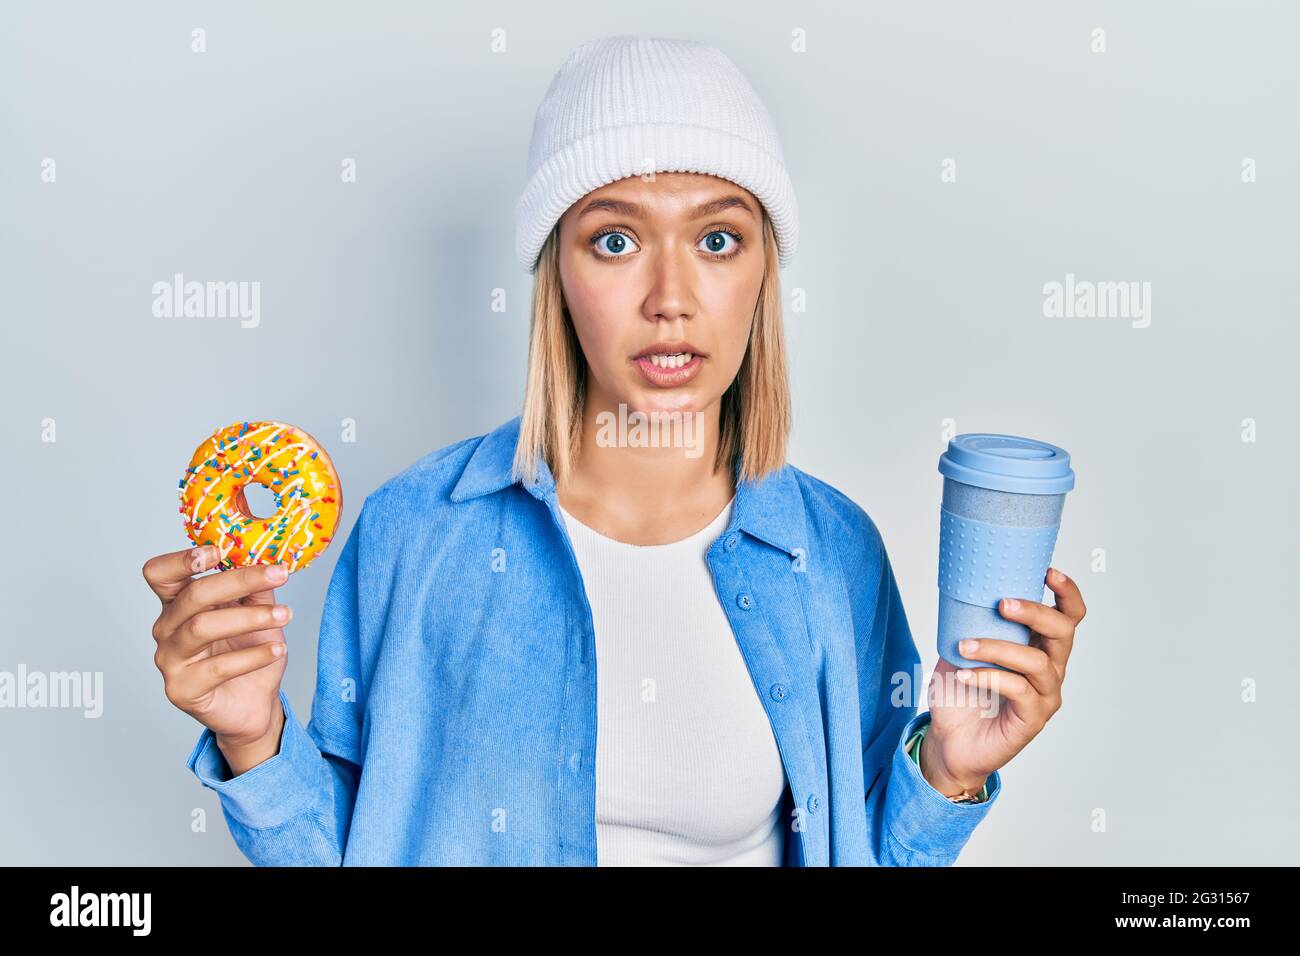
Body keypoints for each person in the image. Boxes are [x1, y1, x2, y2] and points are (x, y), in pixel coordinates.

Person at [142, 35, 1086, 866]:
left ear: (763, 274)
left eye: (719, 238)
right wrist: (254, 740)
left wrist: (949, 771)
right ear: (557, 270)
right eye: (616, 240)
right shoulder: (414, 532)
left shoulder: (833, 553)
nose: (670, 295)